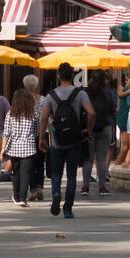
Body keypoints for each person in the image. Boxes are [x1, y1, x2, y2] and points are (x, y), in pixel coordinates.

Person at [38, 62, 94, 218]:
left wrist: (42, 137)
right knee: (71, 175)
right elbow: (91, 113)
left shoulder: (51, 95)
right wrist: (88, 129)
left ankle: (56, 193)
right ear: (73, 75)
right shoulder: (80, 93)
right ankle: (68, 209)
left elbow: (44, 118)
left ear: (58, 76)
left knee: (56, 173)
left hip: (57, 140)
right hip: (75, 140)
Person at [1, 86, 39, 207]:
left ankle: (16, 196)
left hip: (14, 149)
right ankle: (23, 198)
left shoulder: (10, 114)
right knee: (25, 173)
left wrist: (3, 149)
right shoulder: (34, 114)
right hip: (28, 148)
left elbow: (6, 133)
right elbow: (37, 131)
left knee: (16, 173)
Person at [82, 75, 115, 196]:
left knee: (88, 159)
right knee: (101, 159)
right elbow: (112, 110)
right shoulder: (109, 94)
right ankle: (102, 187)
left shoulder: (86, 93)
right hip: (105, 127)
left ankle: (85, 187)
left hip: (89, 128)